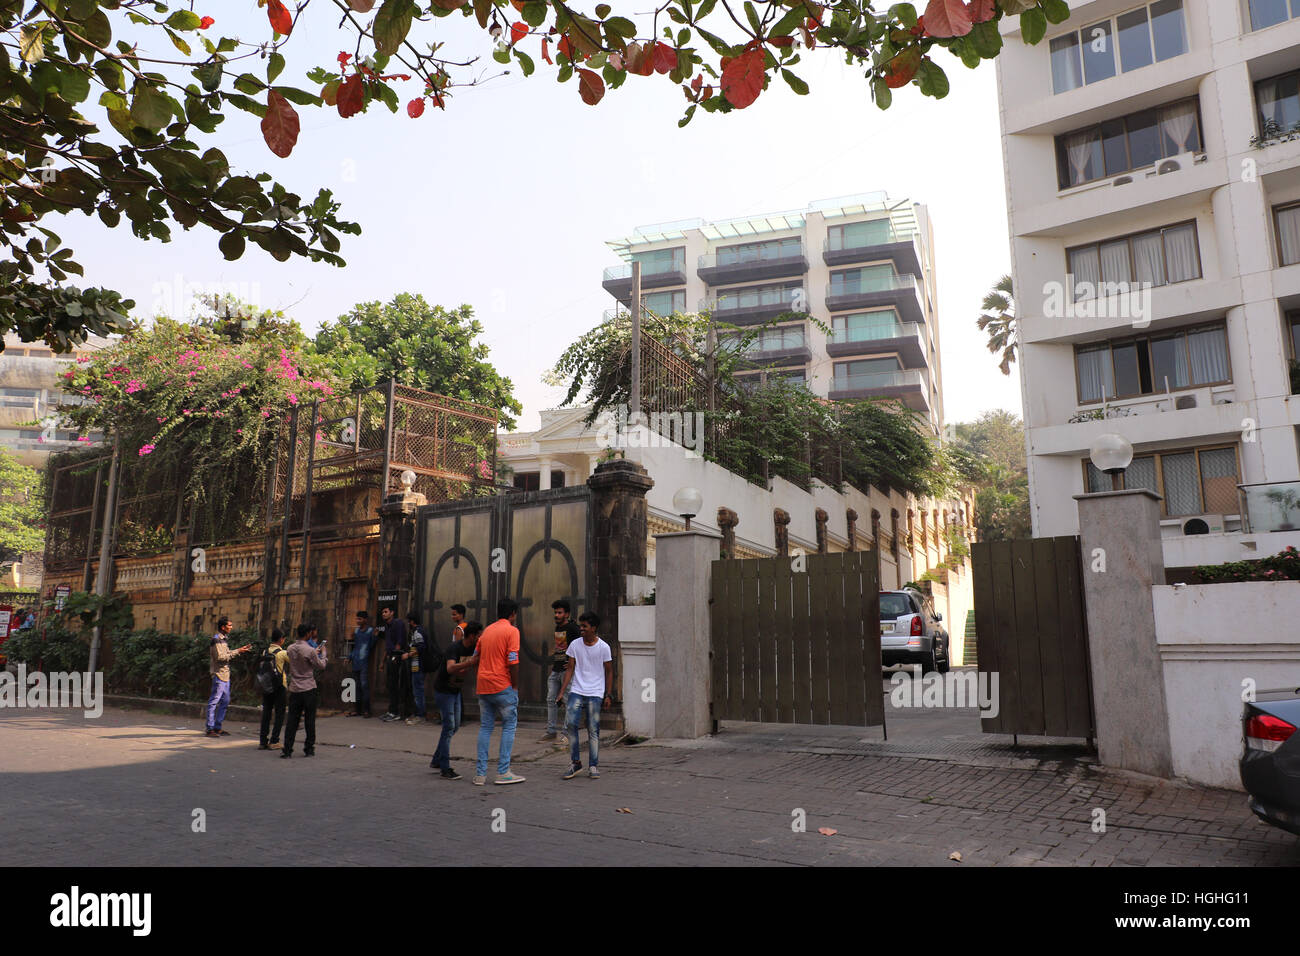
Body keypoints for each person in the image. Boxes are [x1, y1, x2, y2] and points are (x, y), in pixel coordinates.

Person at [472, 599, 525, 785]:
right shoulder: (512, 631)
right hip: (502, 685)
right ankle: (503, 772)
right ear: (513, 614)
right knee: (509, 726)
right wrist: (515, 686)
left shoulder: (487, 631)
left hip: (483, 685)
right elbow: (513, 660)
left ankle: (480, 774)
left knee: (486, 727)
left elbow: (475, 656)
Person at [559, 611, 613, 780]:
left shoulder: (604, 647)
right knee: (571, 725)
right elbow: (570, 668)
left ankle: (593, 765)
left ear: (593, 628)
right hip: (577, 690)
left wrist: (608, 695)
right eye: (581, 626)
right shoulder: (575, 645)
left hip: (596, 692)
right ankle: (575, 763)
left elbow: (609, 671)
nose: (581, 629)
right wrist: (562, 691)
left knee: (593, 729)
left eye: (584, 626)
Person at [430, 620, 482, 780]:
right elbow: (450, 668)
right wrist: (469, 663)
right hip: (444, 691)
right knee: (449, 727)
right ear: (472, 636)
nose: (481, 638)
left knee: (454, 726)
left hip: (455, 691)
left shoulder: (474, 648)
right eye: (479, 635)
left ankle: (436, 760)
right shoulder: (455, 648)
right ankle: (445, 768)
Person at [282, 623, 327, 758]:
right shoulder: (310, 650)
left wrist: (314, 654)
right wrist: (323, 654)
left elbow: (300, 658)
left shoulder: (290, 648)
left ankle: (287, 749)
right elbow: (321, 665)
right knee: (309, 720)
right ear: (308, 634)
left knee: (292, 720)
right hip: (308, 687)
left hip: (295, 688)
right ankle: (309, 748)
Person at [206, 616, 251, 738]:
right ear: (223, 627)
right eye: (229, 625)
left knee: (225, 701)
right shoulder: (216, 640)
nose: (231, 627)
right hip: (219, 674)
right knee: (214, 702)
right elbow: (220, 657)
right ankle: (210, 728)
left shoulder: (224, 640)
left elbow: (226, 653)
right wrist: (237, 652)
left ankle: (217, 727)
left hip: (225, 675)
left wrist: (239, 650)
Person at [543, 599, 581, 741]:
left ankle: (566, 733)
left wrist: (573, 663)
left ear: (567, 614)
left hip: (567, 671)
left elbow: (580, 647)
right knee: (551, 699)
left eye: (559, 613)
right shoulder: (558, 628)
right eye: (555, 613)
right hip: (556, 669)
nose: (556, 615)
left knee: (567, 700)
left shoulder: (573, 629)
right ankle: (551, 731)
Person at [258, 629, 289, 750]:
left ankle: (262, 741)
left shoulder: (265, 651)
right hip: (279, 686)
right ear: (281, 639)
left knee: (266, 712)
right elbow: (293, 661)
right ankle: (274, 740)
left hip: (266, 685)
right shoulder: (282, 653)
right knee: (279, 713)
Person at [379, 606, 409, 722]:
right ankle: (391, 710)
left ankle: (396, 712)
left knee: (395, 684)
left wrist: (395, 656)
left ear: (392, 613)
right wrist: (382, 661)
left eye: (386, 612)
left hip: (396, 657)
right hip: (390, 657)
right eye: (383, 612)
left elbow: (400, 642)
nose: (384, 614)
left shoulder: (398, 624)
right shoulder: (387, 626)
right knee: (390, 685)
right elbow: (388, 645)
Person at [404, 613, 431, 725]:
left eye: (409, 621)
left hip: (418, 665)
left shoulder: (417, 632)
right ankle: (418, 713)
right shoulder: (418, 631)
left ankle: (420, 715)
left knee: (418, 691)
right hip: (417, 665)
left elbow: (421, 647)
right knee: (417, 690)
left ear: (412, 621)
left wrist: (408, 655)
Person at [348, 610, 375, 717]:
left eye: (359, 619)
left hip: (364, 662)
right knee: (356, 686)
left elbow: (371, 645)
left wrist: (375, 637)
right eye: (357, 618)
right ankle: (357, 709)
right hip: (356, 661)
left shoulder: (370, 631)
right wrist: (349, 657)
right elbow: (355, 647)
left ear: (365, 620)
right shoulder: (356, 632)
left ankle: (367, 710)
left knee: (364, 686)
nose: (357, 621)